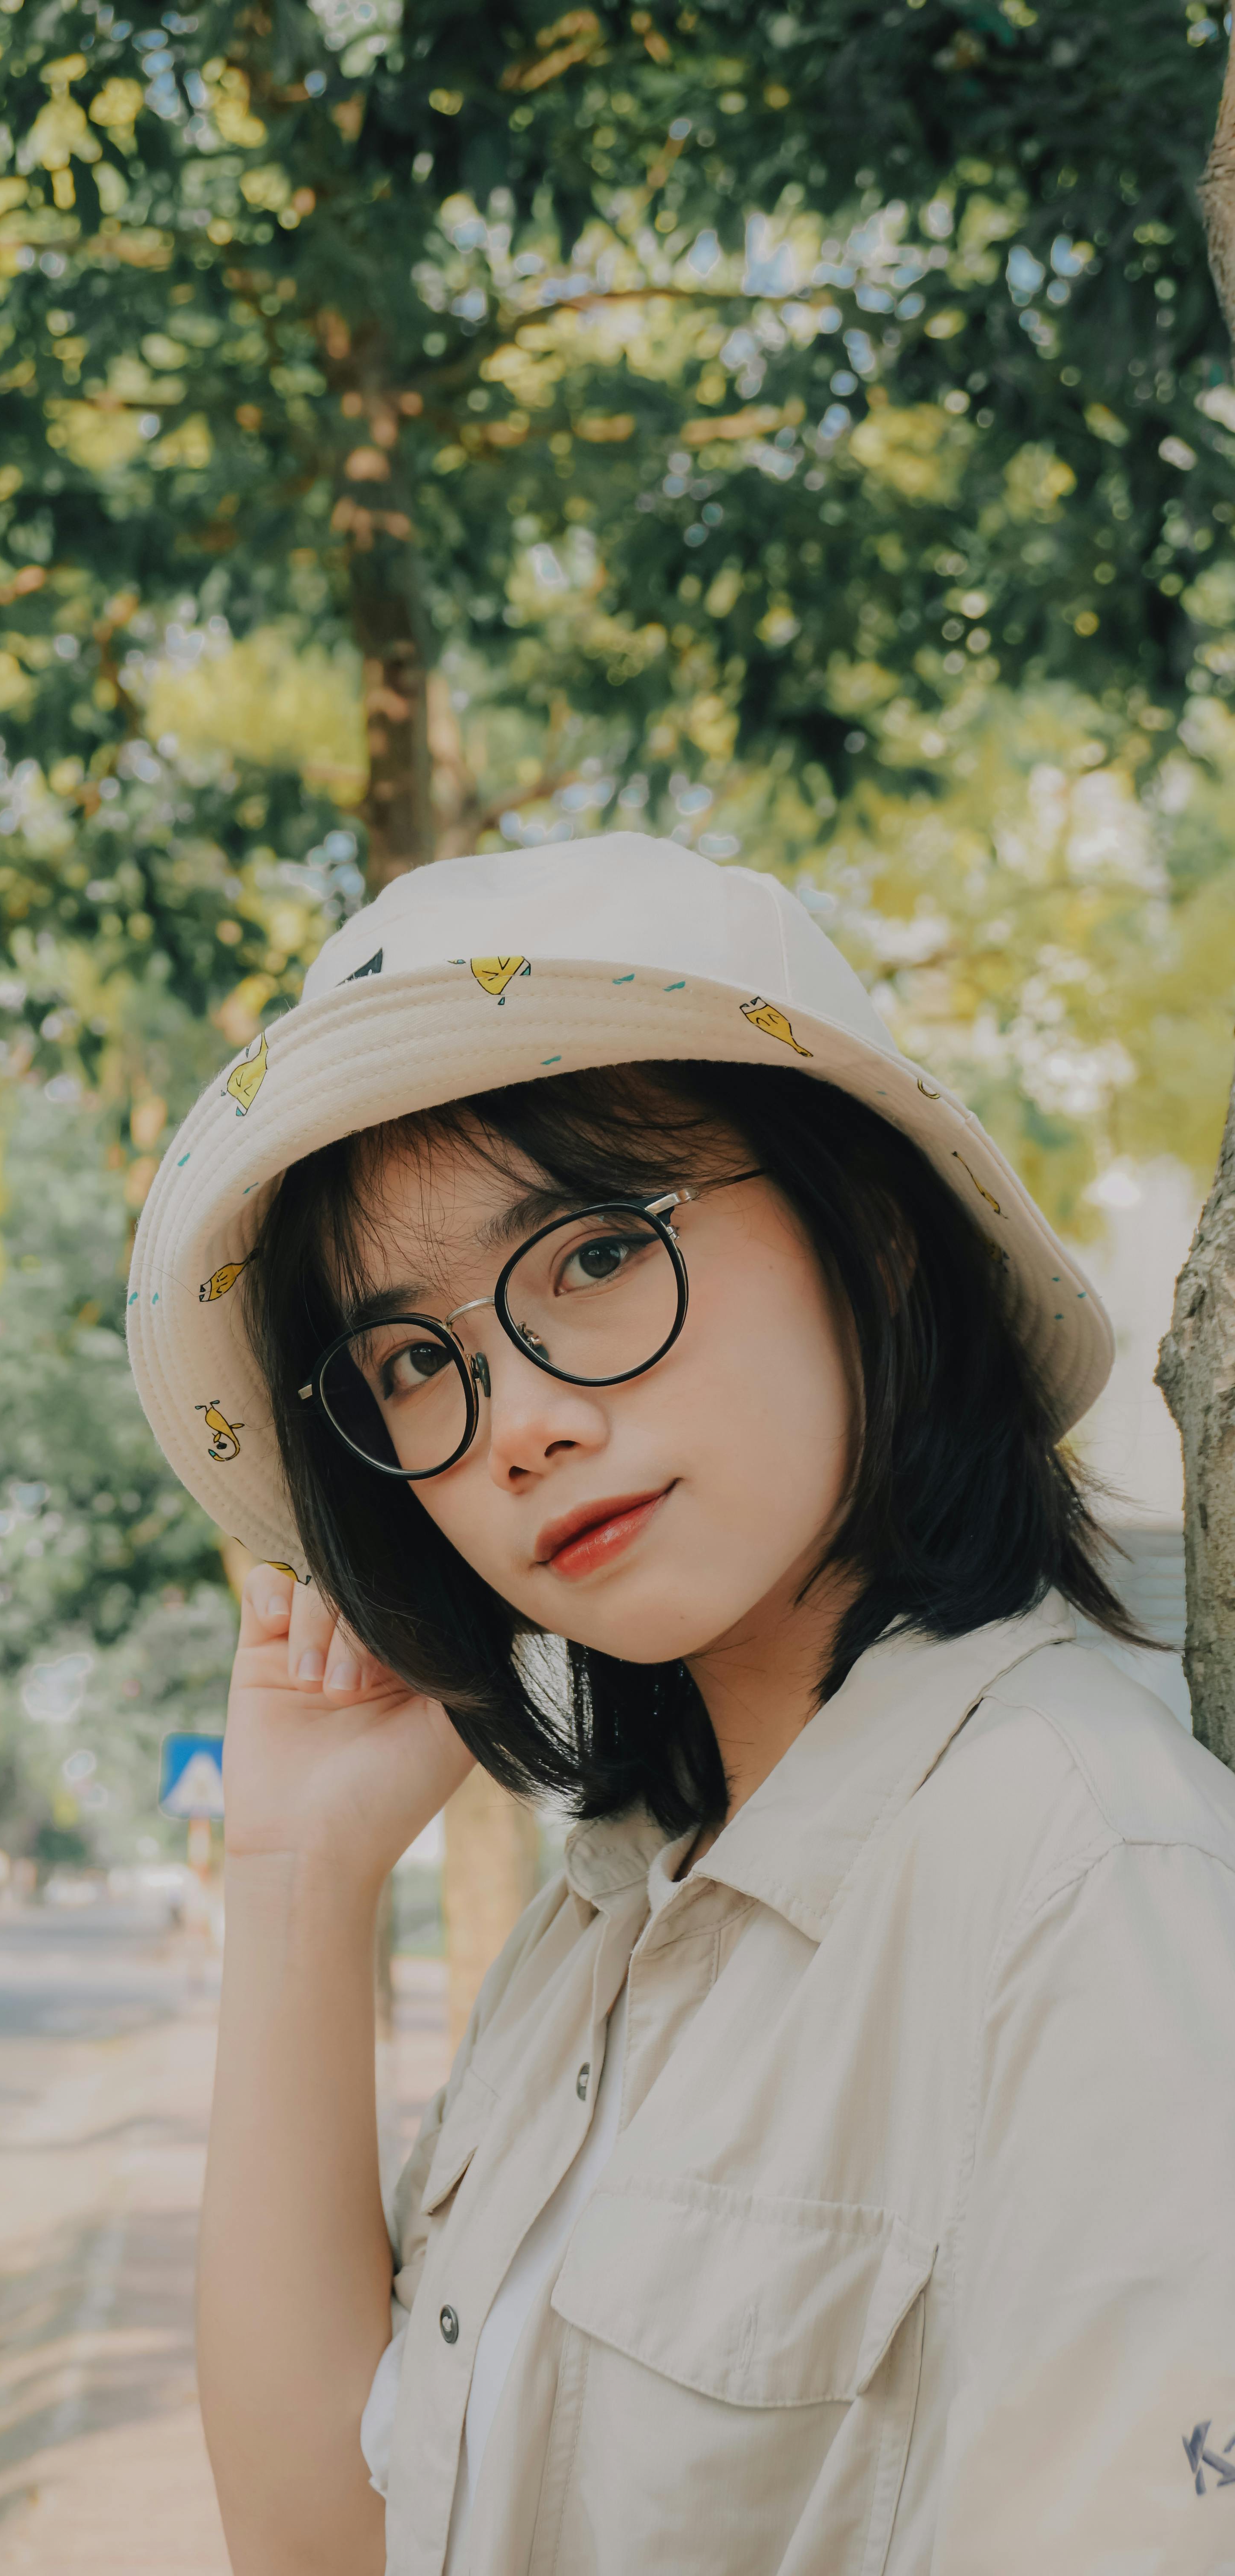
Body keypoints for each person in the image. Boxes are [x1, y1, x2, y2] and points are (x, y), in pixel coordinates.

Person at [127, 836, 1235, 2576]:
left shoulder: (1083, 1876)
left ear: (867, 1230)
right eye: (414, 1360)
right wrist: (291, 1879)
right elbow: (318, 2543)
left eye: (587, 1255)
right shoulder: (612, 1911)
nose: (514, 1421)